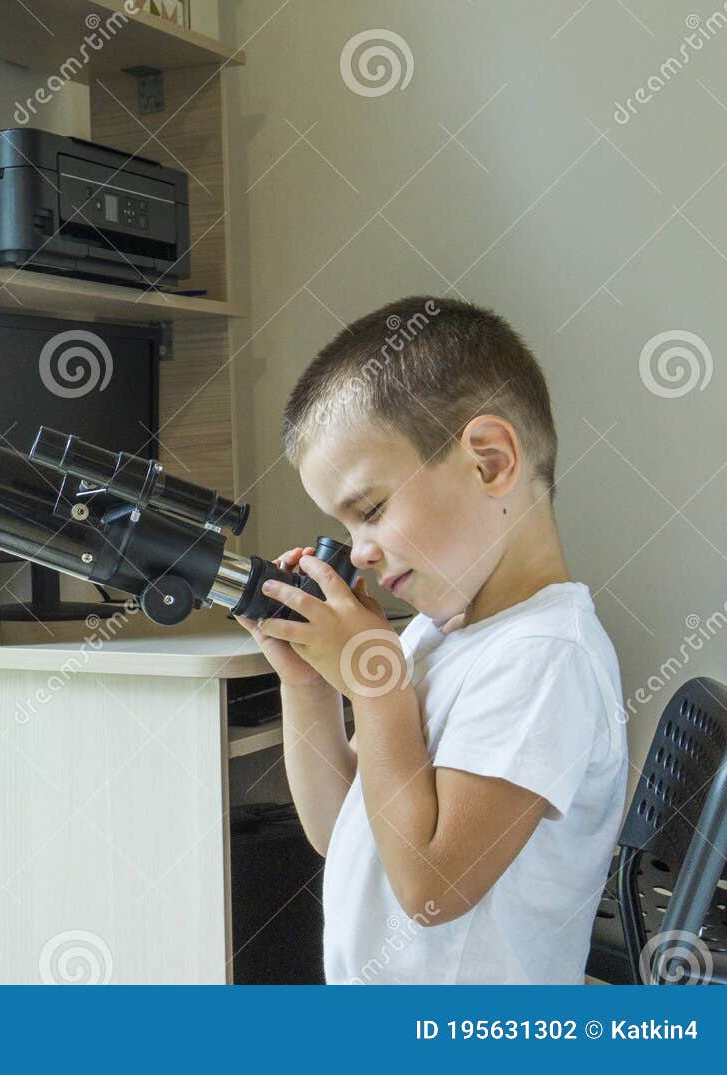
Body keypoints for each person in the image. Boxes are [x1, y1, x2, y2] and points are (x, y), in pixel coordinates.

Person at [235, 296, 627, 984]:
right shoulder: (437, 634)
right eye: (346, 527)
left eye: (372, 510)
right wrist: (310, 687)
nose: (358, 553)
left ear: (489, 461)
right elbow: (345, 831)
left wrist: (377, 688)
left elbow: (433, 888)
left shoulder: (545, 656)